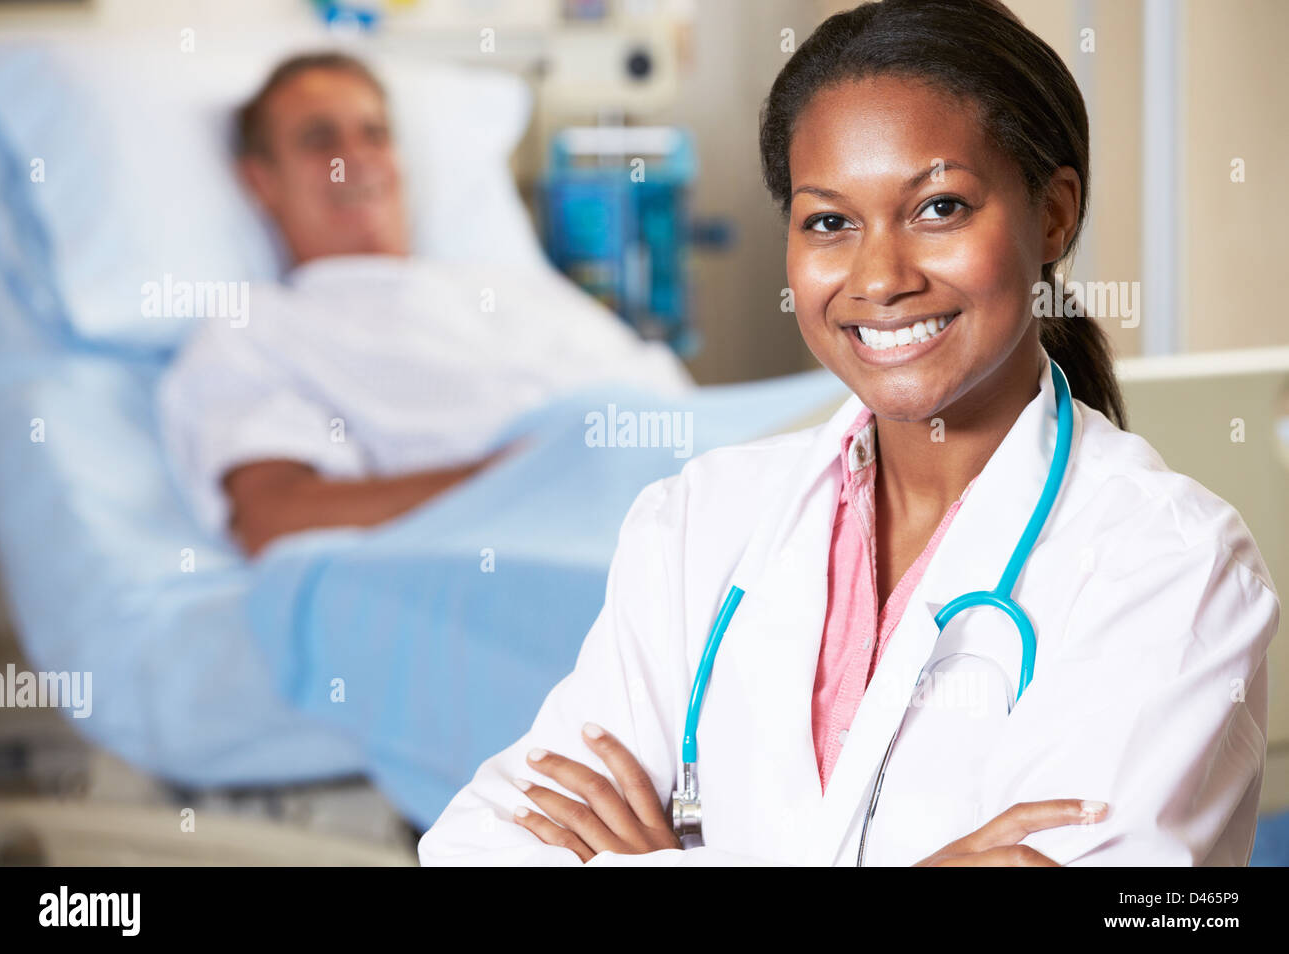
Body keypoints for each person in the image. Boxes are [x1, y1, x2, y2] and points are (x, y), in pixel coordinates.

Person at [416, 0, 1279, 866]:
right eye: (829, 221)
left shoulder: (1169, 567)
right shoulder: (697, 526)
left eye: (939, 208)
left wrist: (650, 861)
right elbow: (476, 847)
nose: (880, 278)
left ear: (1052, 216)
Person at [157, 53, 692, 556]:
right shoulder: (256, 327)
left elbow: (670, 405)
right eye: (319, 140)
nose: (356, 158)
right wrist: (521, 477)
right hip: (536, 539)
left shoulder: (515, 287)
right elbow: (276, 515)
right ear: (261, 179)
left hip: (682, 487)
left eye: (375, 133)